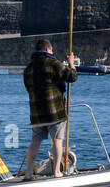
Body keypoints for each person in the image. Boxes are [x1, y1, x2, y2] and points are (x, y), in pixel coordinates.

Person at [22, 39, 77, 179]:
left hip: (36, 114)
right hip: (55, 113)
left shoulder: (28, 68)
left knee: (35, 142)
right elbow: (72, 77)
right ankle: (57, 172)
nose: (52, 53)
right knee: (58, 141)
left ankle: (28, 173)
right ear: (48, 49)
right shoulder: (54, 64)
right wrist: (71, 63)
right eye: (52, 50)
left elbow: (29, 88)